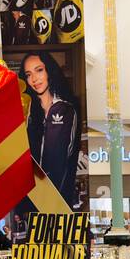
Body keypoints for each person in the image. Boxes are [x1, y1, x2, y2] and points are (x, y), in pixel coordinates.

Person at [22, 51, 80, 207]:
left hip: (58, 197)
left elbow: (68, 155)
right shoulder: (26, 111)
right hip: (30, 197)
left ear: (49, 70)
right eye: (28, 74)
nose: (34, 79)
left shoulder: (66, 110)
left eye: (39, 70)